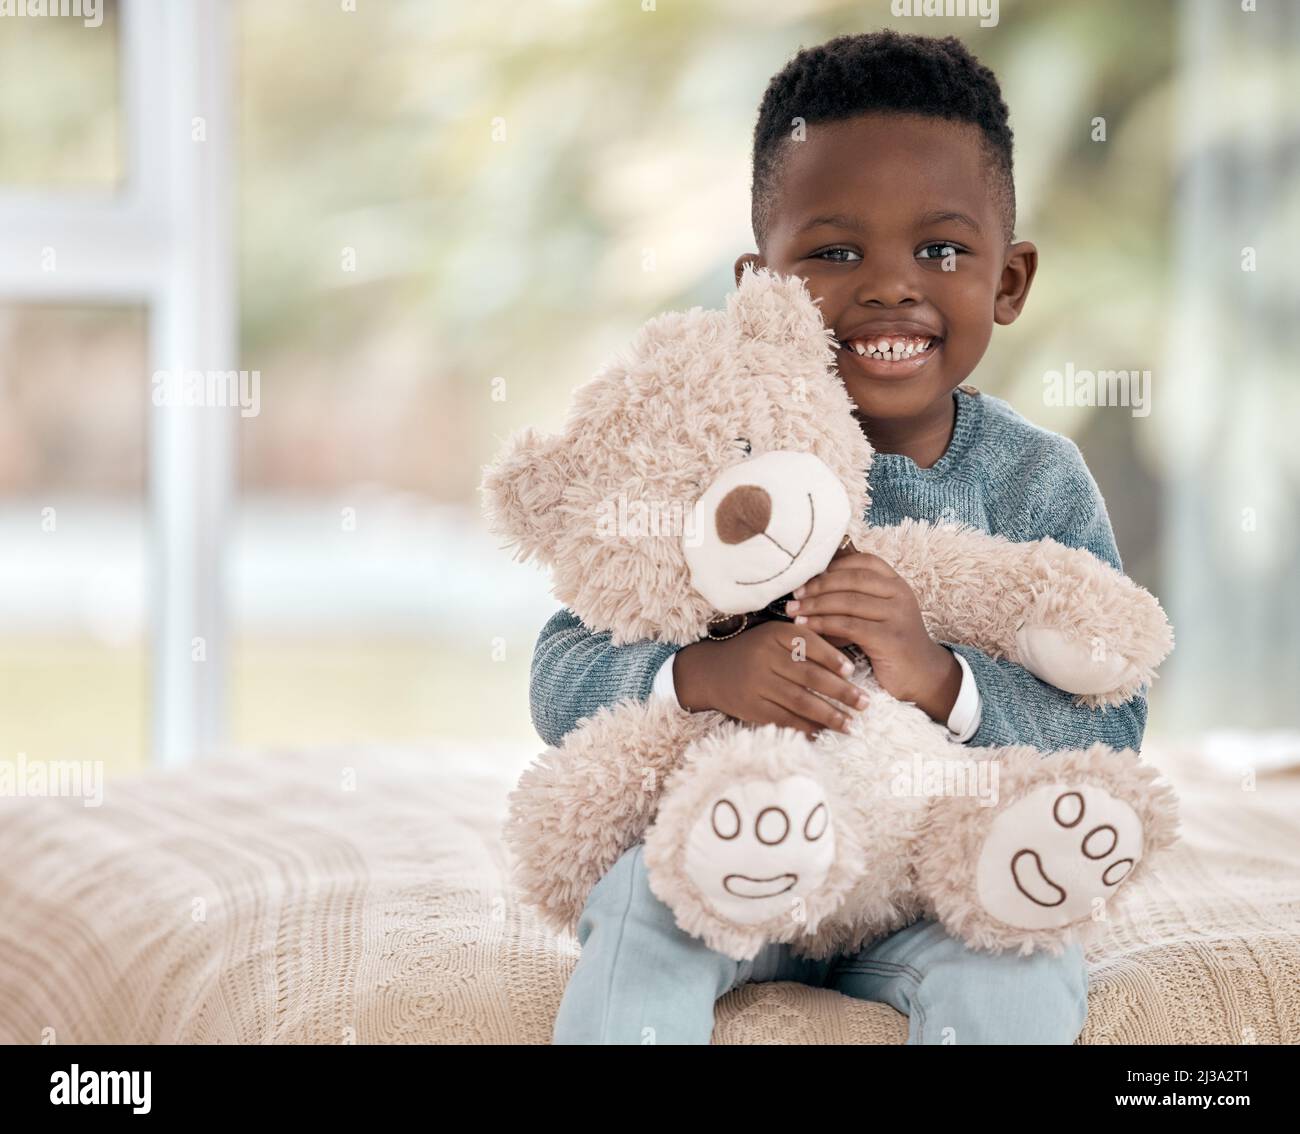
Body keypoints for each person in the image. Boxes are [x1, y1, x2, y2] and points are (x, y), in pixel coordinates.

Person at [536, 30, 1144, 1045]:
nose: (889, 287)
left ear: (1009, 278)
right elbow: (560, 671)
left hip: (927, 888)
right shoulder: (707, 466)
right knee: (640, 901)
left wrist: (944, 679)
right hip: (734, 861)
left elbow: (1113, 736)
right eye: (833, 251)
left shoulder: (1037, 480)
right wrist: (702, 672)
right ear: (757, 286)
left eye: (941, 250)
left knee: (1022, 957)